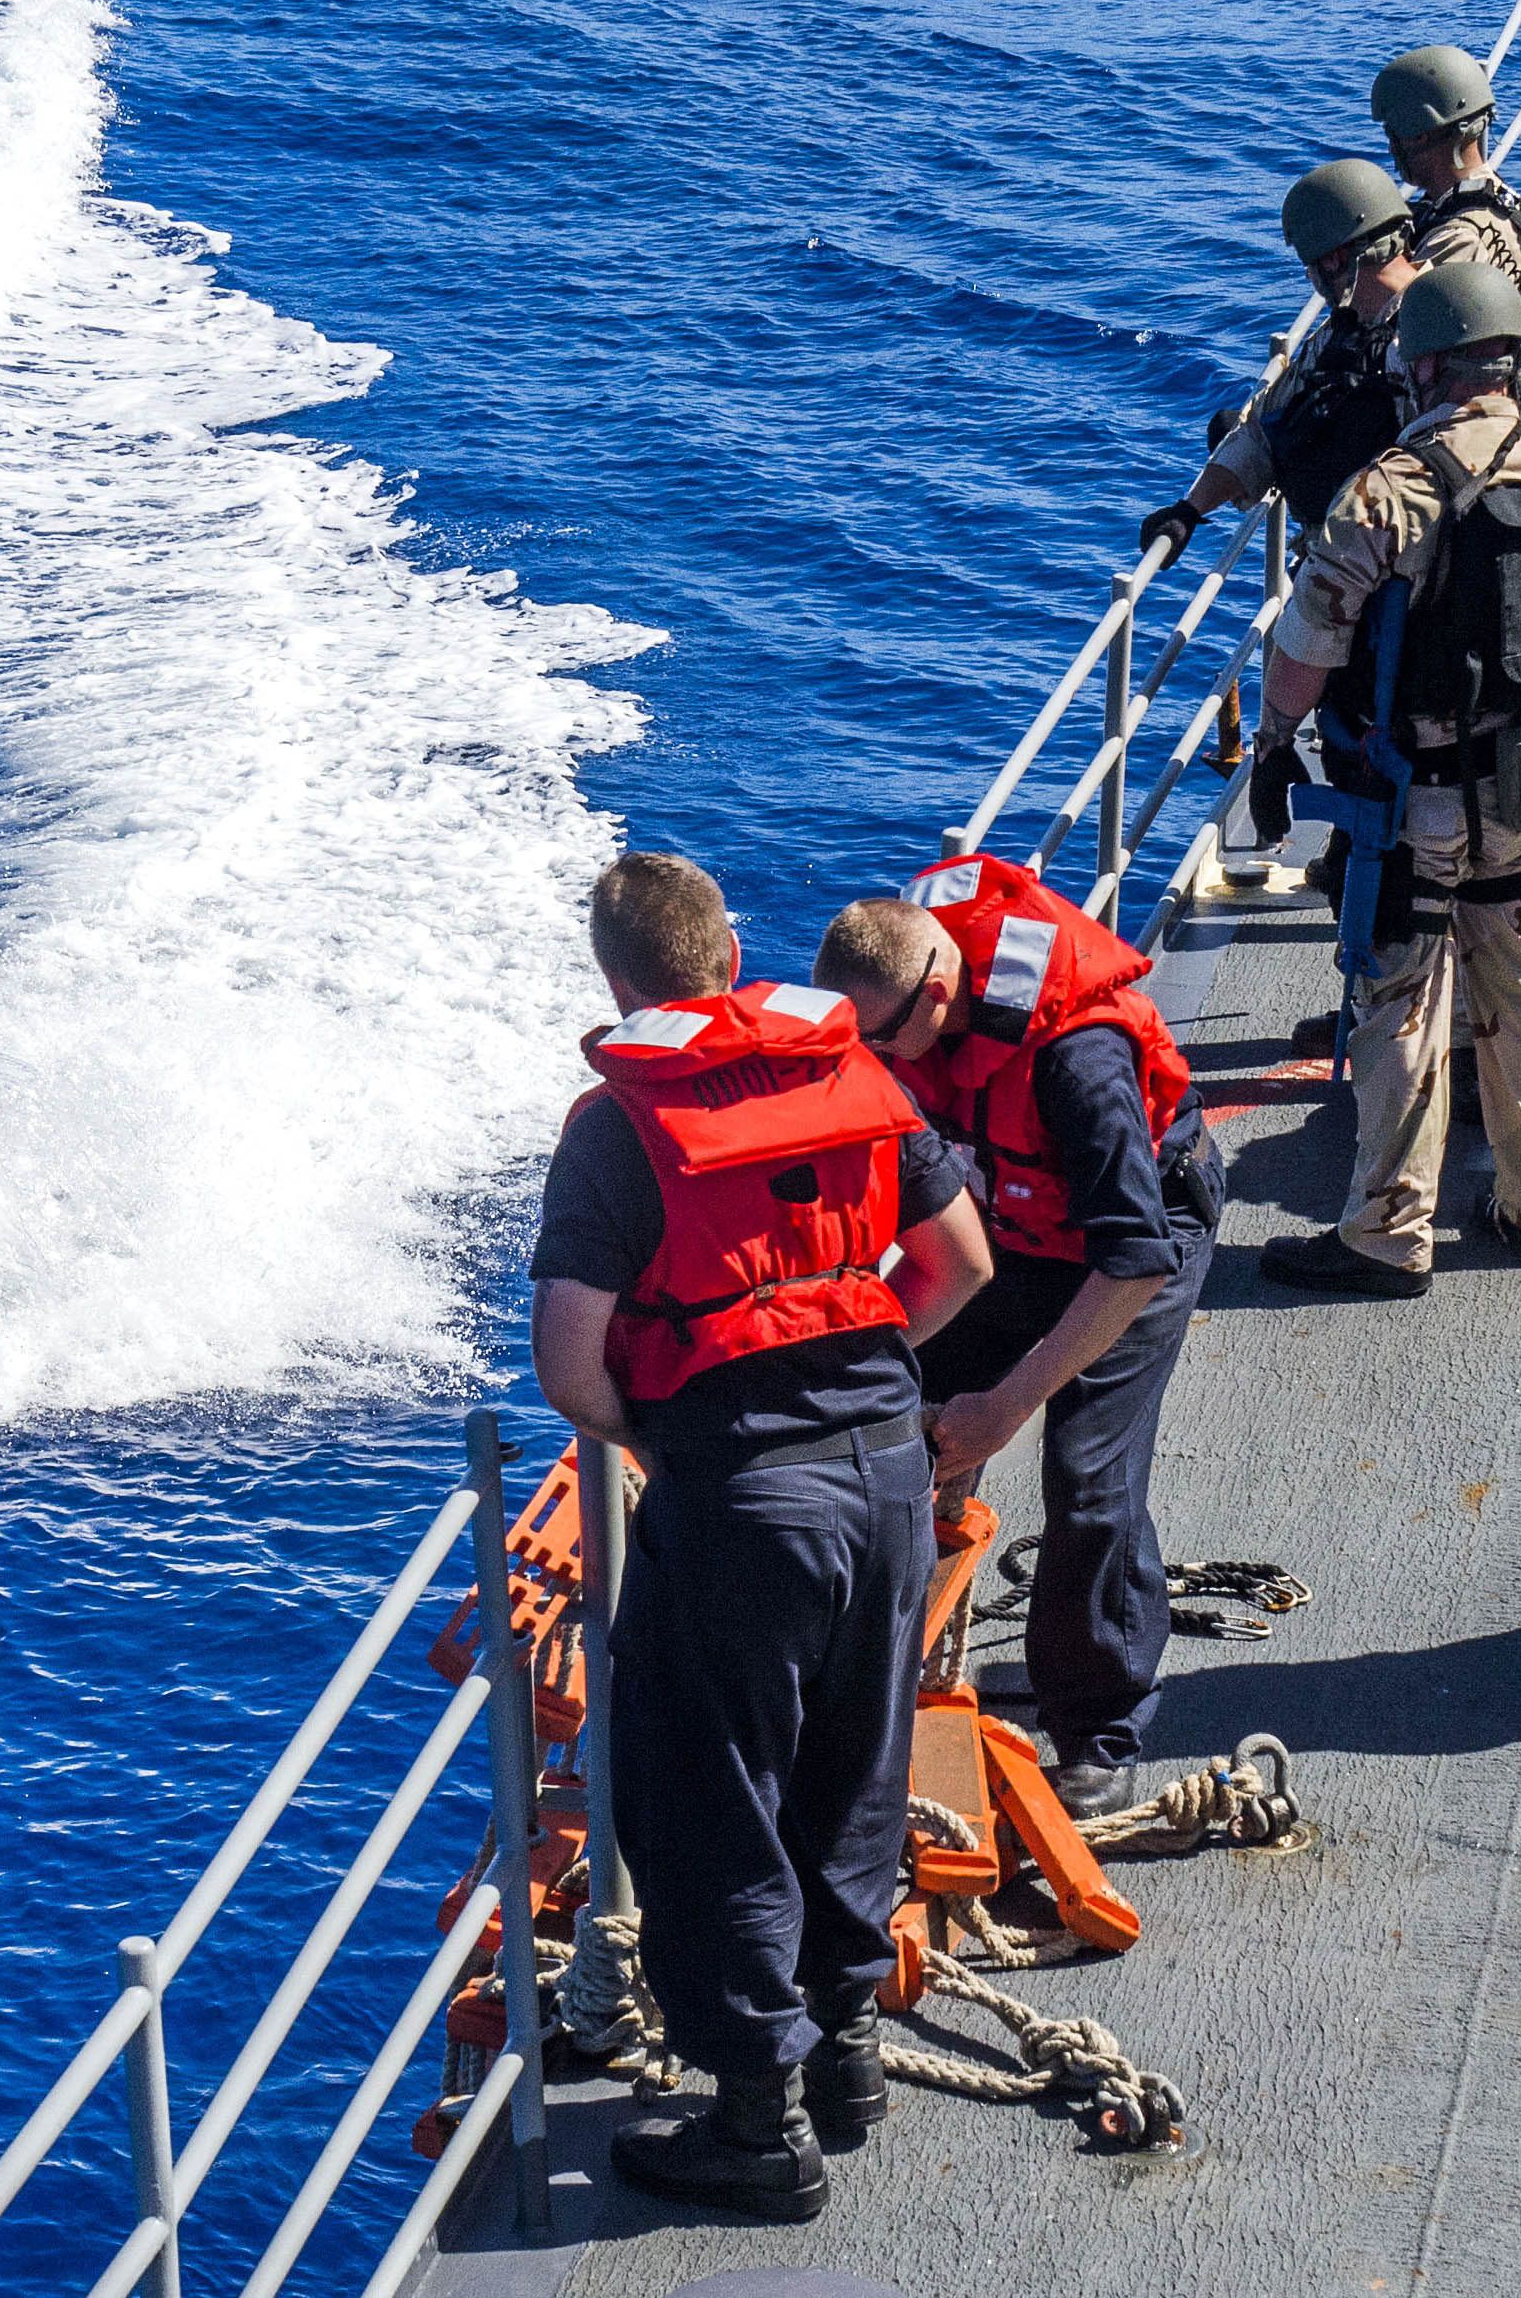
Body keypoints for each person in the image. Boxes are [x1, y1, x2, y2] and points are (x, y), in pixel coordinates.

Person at [529, 853, 992, 2220]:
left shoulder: (617, 1126)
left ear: (619, 982)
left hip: (742, 1503)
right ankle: (845, 2062)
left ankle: (757, 2123)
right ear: (732, 953)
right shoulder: (855, 1078)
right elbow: (961, 1260)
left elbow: (568, 1362)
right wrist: (859, 1373)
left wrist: (673, 1434)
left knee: (707, 1799)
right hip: (886, 1475)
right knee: (855, 1772)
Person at [1247, 263, 1521, 1297]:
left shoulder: (1386, 494)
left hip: (1416, 798)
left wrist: (1272, 746)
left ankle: (1390, 1233)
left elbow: (1308, 644)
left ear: (1428, 362)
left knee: (1400, 996)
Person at [815, 860, 1224, 1817]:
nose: (869, 1058)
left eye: (874, 1039)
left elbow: (1137, 1259)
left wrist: (1005, 1404)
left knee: (1090, 1473)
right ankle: (881, 1667)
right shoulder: (912, 1024)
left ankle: (1099, 1725)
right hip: (1010, 1222)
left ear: (938, 994)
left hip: (1129, 1245)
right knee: (892, 1412)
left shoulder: (1077, 1060)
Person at [1139, 159, 1423, 566]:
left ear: (1334, 260)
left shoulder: (1426, 339)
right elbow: (1263, 431)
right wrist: (1189, 511)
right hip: (1337, 565)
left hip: (1396, 573)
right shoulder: (1341, 334)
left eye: (1311, 264)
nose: (1310, 277)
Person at [1373, 43, 1521, 429]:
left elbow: (1405, 354)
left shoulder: (1459, 236)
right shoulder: (1508, 205)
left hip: (1462, 423)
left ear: (1418, 137)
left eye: (1395, 134)